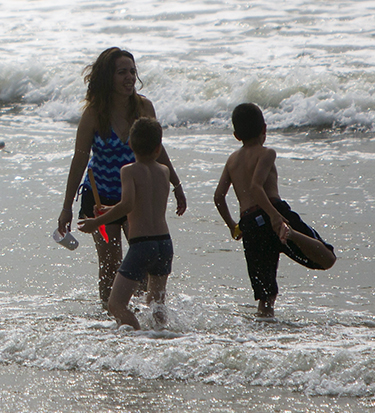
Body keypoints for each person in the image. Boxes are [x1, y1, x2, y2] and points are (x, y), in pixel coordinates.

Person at [56, 47, 187, 307]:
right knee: (110, 264)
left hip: (134, 199)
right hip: (99, 199)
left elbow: (158, 150)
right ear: (108, 77)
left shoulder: (144, 107)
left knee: (143, 263)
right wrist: (66, 207)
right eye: (122, 72)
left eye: (132, 71)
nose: (129, 77)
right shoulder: (94, 114)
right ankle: (112, 320)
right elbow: (79, 160)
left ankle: (141, 318)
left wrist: (176, 184)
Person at [212, 102, 336, 318]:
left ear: (236, 135)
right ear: (264, 129)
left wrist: (233, 226)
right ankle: (292, 234)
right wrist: (275, 216)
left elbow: (218, 197)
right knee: (327, 258)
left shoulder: (232, 160)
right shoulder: (266, 153)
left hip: (249, 224)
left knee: (266, 295)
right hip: (273, 212)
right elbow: (256, 187)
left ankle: (266, 329)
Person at [78, 118, 175, 329]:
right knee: (156, 304)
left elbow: (128, 204)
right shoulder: (164, 171)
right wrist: (109, 209)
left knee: (116, 304)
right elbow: (143, 204)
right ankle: (161, 338)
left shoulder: (128, 171)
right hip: (164, 243)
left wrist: (97, 222)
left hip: (142, 246)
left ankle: (137, 339)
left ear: (129, 144)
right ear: (158, 147)